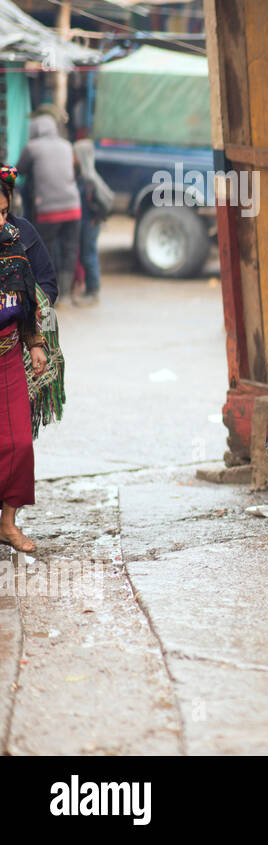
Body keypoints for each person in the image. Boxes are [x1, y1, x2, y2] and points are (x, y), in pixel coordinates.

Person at [0, 164, 55, 553]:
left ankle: (8, 523)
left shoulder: (17, 244)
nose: (0, 221)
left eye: (3, 212)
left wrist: (35, 344)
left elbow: (31, 297)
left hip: (7, 358)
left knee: (19, 443)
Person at [17, 112, 81, 303]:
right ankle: (67, 296)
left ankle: (50, 295)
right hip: (73, 208)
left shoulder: (32, 148)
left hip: (48, 211)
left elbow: (20, 170)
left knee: (47, 252)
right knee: (69, 249)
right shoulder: (67, 146)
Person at [72, 138, 113, 306]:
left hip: (90, 223)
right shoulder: (91, 176)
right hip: (92, 223)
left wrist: (93, 220)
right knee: (88, 255)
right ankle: (90, 289)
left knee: (88, 256)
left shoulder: (88, 180)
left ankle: (93, 291)